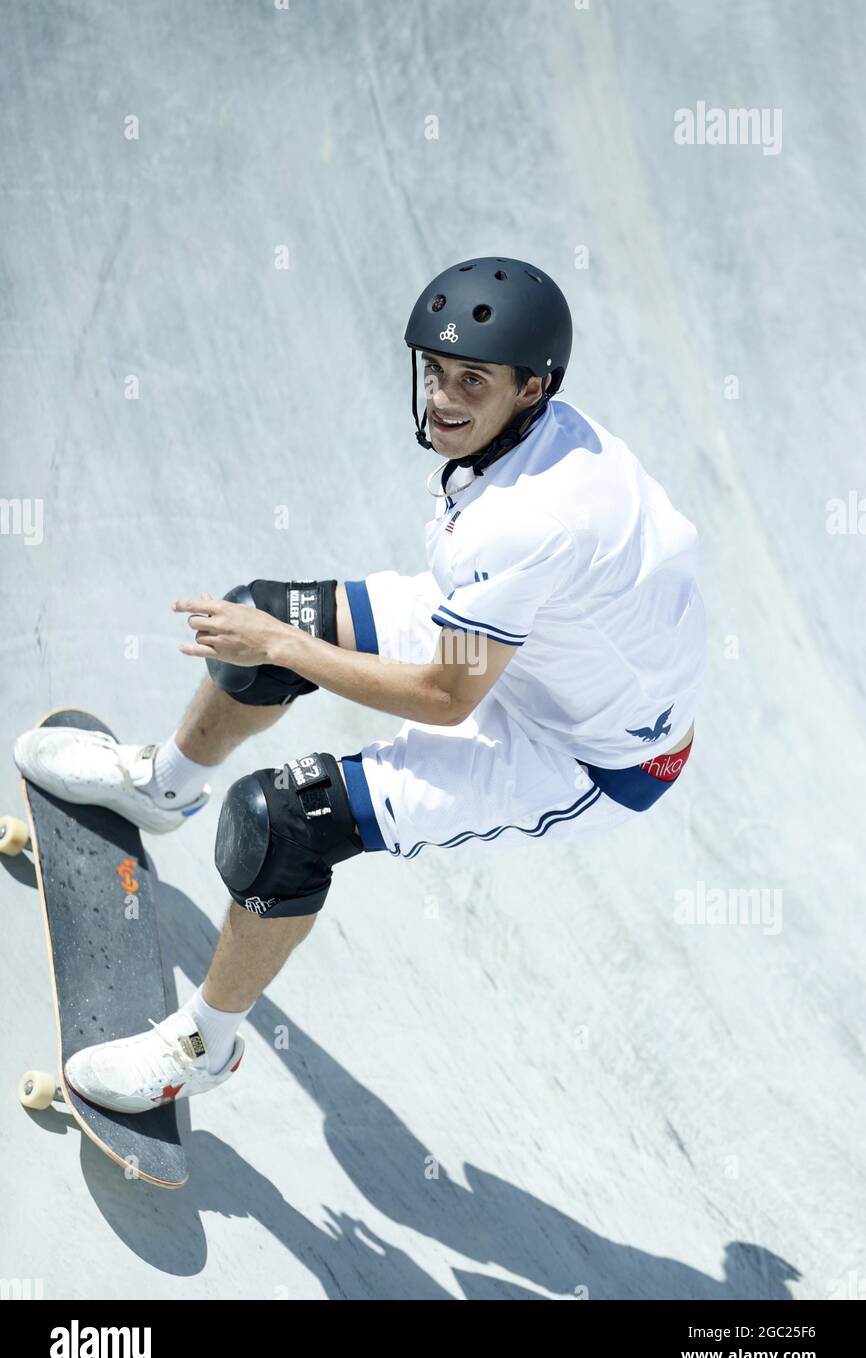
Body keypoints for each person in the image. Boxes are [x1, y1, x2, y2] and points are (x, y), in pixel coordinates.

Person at [13, 256, 706, 1114]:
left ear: (531, 389)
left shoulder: (531, 519)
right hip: (533, 647)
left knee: (285, 825)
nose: (444, 399)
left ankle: (202, 1045)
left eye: (473, 381)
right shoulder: (531, 437)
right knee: (261, 620)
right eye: (434, 369)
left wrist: (286, 645)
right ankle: (163, 789)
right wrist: (274, 636)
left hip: (582, 754)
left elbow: (447, 699)